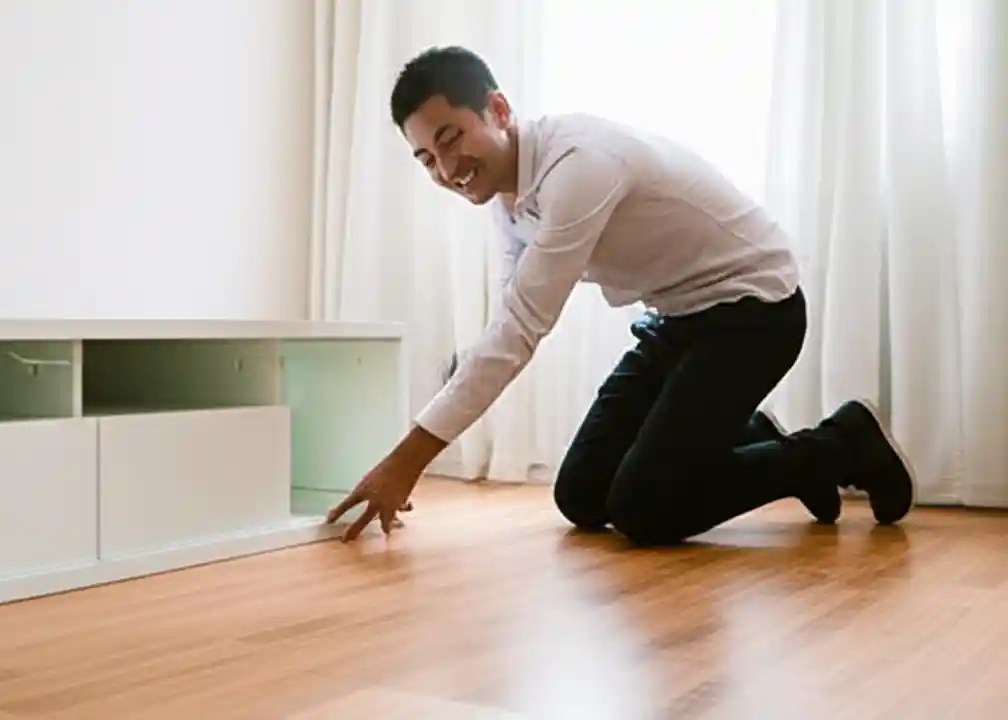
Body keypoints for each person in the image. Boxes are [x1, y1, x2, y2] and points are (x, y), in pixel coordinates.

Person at [325, 46, 915, 545]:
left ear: (498, 110)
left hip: (755, 312)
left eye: (452, 139)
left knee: (645, 510)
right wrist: (460, 376)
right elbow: (510, 313)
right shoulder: (507, 202)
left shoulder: (577, 165)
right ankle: (749, 438)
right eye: (427, 158)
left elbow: (521, 330)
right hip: (679, 321)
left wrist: (407, 461)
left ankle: (840, 444)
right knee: (581, 495)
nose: (447, 168)